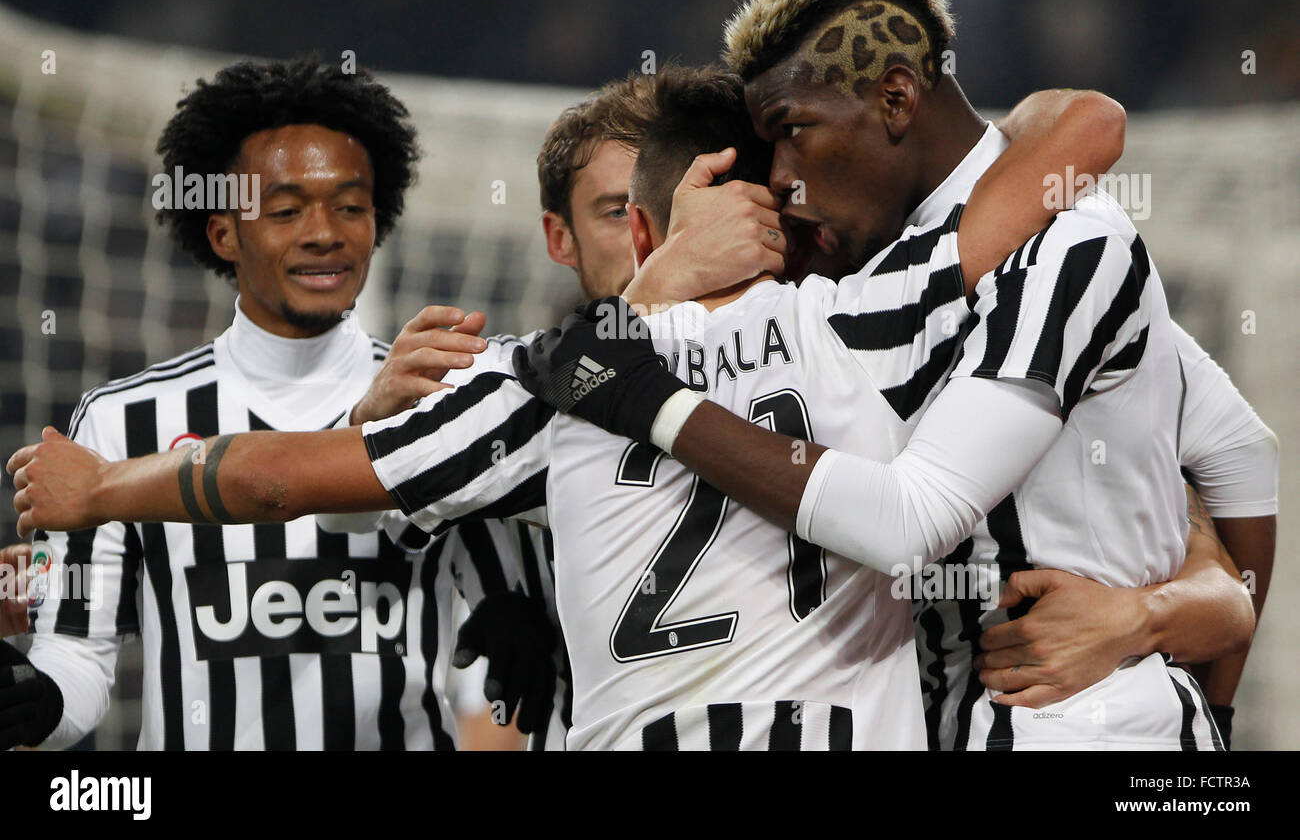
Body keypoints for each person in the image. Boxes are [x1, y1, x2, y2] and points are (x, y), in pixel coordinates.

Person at [7, 64, 1137, 750]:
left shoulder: (538, 381)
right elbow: (1077, 128)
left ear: (649, 225)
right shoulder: (871, 321)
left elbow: (275, 479)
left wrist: (102, 485)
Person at [518, 0, 1270, 750]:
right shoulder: (877, 267)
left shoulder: (1067, 238)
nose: (781, 175)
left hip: (1081, 725)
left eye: (793, 131)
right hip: (941, 720)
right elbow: (1238, 448)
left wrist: (1183, 670)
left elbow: (914, 516)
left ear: (897, 98)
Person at [0, 57, 562, 751]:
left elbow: (516, 626)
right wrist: (35, 701)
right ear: (223, 233)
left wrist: (529, 616)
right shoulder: (120, 422)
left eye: (350, 206)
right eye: (286, 209)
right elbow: (77, 658)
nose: (324, 232)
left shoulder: (444, 398)